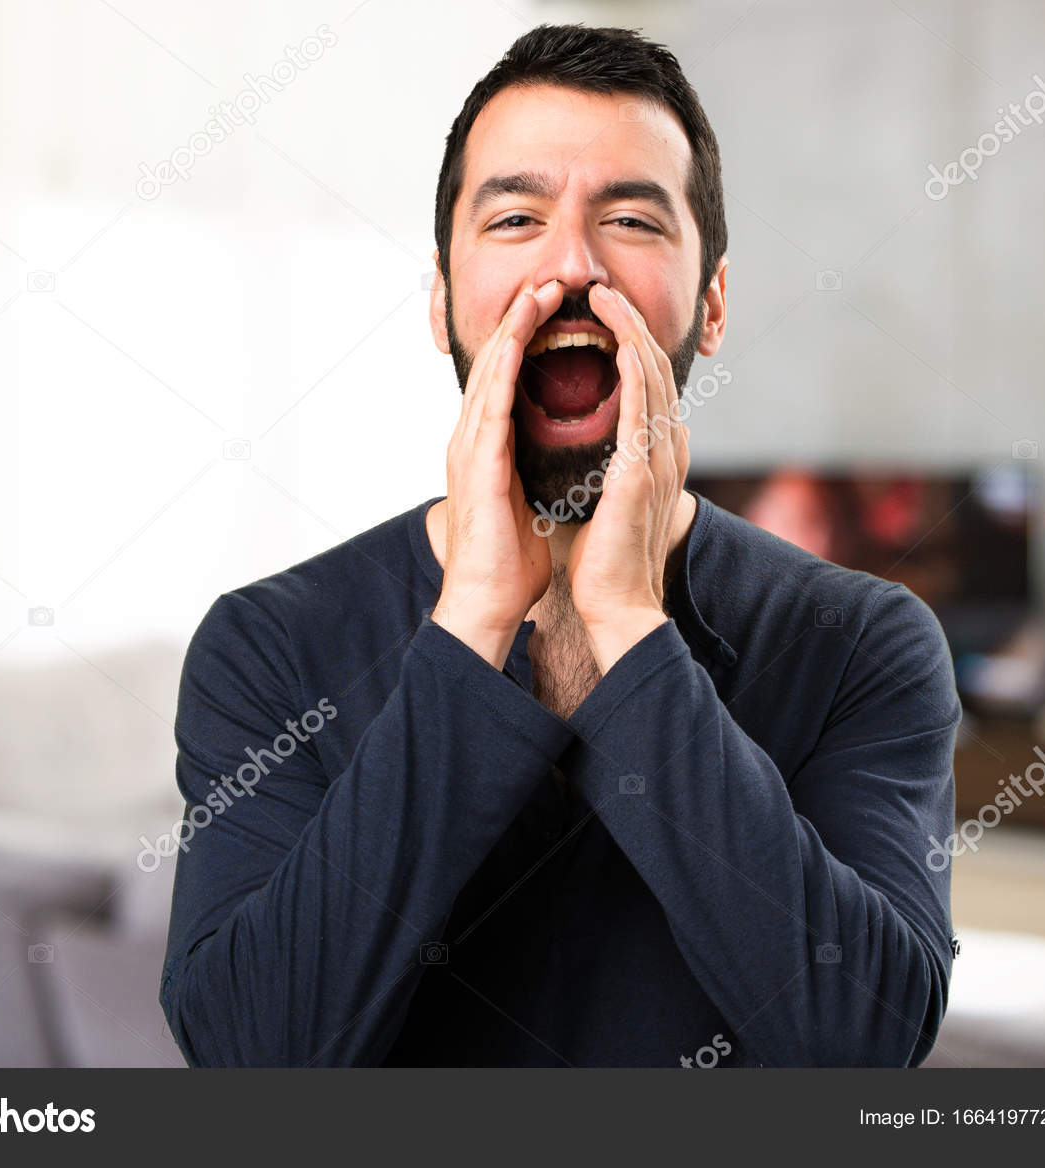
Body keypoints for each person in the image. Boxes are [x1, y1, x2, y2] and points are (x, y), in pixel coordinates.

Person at [159, 23, 960, 1067]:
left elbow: (868, 1041)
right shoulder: (266, 645)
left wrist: (627, 626)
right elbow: (247, 1055)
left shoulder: (863, 642)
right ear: (443, 301)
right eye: (515, 216)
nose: (572, 264)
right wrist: (472, 622)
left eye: (630, 217)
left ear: (710, 304)